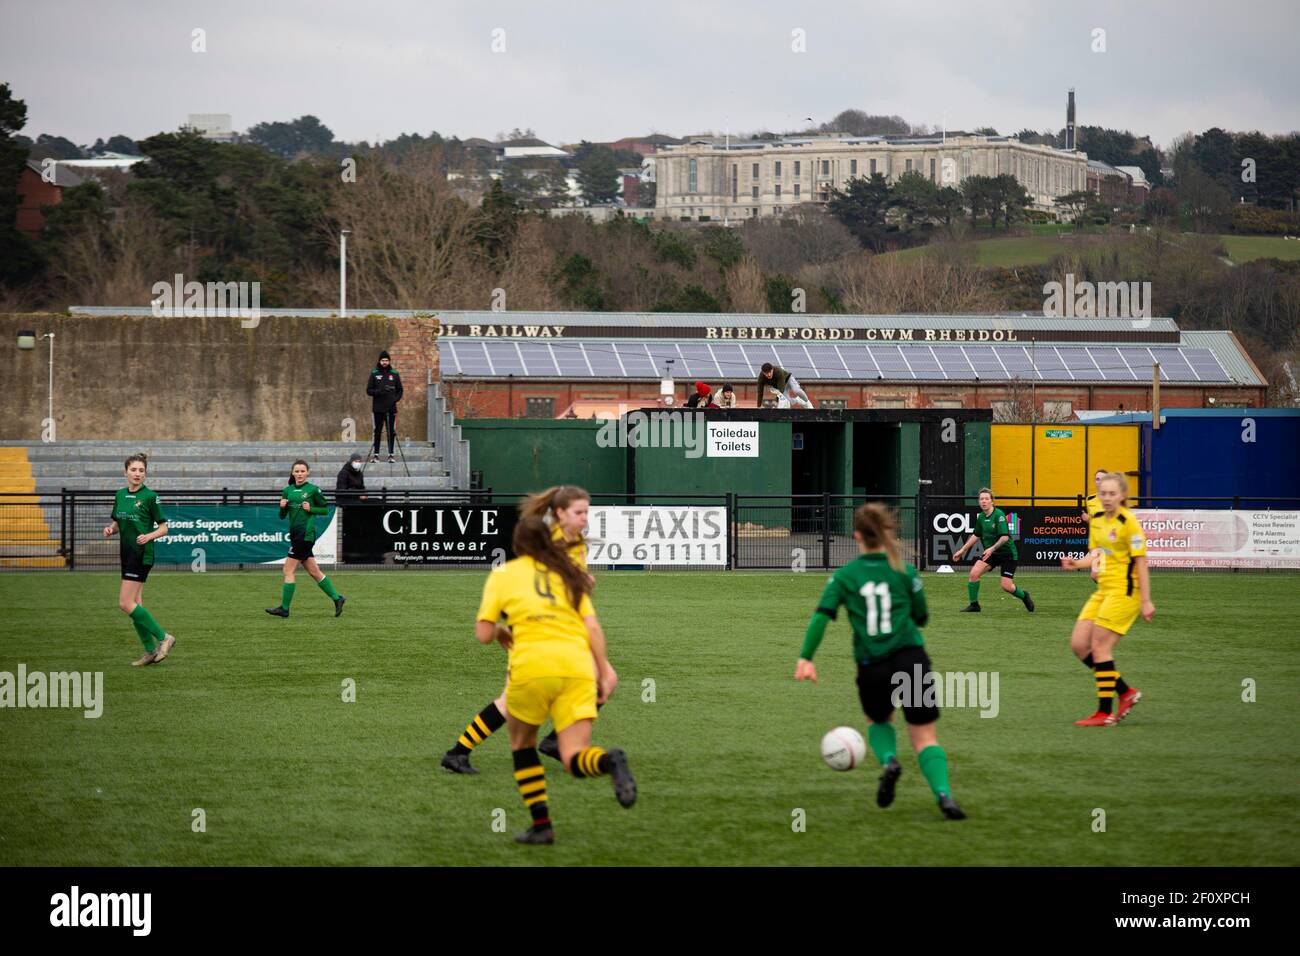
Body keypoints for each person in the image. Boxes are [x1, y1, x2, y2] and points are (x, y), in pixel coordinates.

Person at [795, 503, 965, 820]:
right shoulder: (905, 570)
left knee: (879, 721)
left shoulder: (845, 576)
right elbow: (923, 617)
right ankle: (944, 796)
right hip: (911, 657)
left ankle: (888, 761)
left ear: (857, 535)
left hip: (872, 664)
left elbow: (821, 618)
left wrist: (806, 658)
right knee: (925, 736)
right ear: (886, 532)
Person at [474, 514, 636, 844]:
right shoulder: (567, 577)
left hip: (532, 665)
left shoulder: (504, 574)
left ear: (517, 545)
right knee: (574, 756)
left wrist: (503, 631)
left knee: (522, 746)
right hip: (576, 666)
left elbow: (483, 633)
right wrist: (603, 669)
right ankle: (607, 761)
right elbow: (591, 625)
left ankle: (542, 825)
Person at [442, 486, 595, 774]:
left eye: (587, 512)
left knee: (596, 684)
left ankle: (461, 752)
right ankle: (460, 751)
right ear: (560, 513)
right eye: (579, 512)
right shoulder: (550, 542)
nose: (585, 518)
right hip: (539, 629)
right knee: (514, 701)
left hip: (561, 631)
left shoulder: (575, 544)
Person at [1060, 472, 1152, 727]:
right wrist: (1077, 563)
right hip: (1103, 590)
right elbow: (1097, 554)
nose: (1107, 498)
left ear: (1123, 496)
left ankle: (1104, 713)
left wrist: (1146, 601)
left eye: (1112, 494)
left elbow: (1141, 563)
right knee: (1080, 645)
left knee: (1100, 647)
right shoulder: (1098, 520)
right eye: (1103, 494)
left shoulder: (1129, 523)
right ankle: (1125, 692)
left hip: (1125, 591)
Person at [103, 453, 176, 666]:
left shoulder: (150, 497)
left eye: (141, 470)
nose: (137, 474)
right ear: (125, 472)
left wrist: (149, 536)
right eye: (133, 470)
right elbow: (117, 521)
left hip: (141, 554)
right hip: (126, 553)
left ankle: (165, 638)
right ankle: (149, 651)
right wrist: (111, 529)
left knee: (125, 603)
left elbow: (164, 528)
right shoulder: (120, 495)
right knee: (136, 604)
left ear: (145, 474)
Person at [266, 459, 346, 618]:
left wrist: (311, 509)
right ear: (292, 473)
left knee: (288, 570)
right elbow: (282, 516)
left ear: (308, 472)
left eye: (302, 471)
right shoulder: (287, 490)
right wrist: (282, 507)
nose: (300, 474)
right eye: (297, 471)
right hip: (296, 535)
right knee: (314, 571)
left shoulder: (313, 490)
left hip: (305, 535)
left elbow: (324, 509)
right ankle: (338, 599)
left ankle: (284, 608)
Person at [951, 488, 1034, 613]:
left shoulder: (999, 515)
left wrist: (992, 548)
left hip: (1007, 554)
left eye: (986, 499)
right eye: (981, 499)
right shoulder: (981, 517)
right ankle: (974, 605)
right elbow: (976, 535)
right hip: (992, 553)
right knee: (974, 574)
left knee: (1006, 586)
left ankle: (1024, 595)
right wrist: (962, 550)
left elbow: (1005, 537)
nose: (984, 501)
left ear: (992, 501)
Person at [366, 350, 403, 463]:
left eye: (387, 360)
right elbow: (368, 390)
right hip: (378, 408)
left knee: (391, 431)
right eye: (383, 360)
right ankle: (376, 455)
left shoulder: (394, 374)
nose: (385, 362)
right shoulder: (374, 373)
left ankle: (391, 455)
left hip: (391, 408)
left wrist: (394, 400)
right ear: (379, 361)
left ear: (389, 361)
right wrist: (379, 391)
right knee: (377, 431)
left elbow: (400, 390)